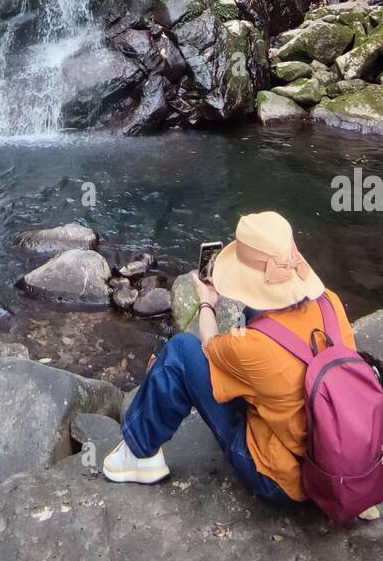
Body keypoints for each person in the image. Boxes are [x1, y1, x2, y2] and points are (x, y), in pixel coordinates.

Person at [103, 210, 355, 504]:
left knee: (181, 351)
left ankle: (138, 453)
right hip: (339, 466)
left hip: (285, 483)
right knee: (252, 325)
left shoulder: (253, 346)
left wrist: (208, 303)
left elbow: (209, 346)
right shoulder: (330, 303)